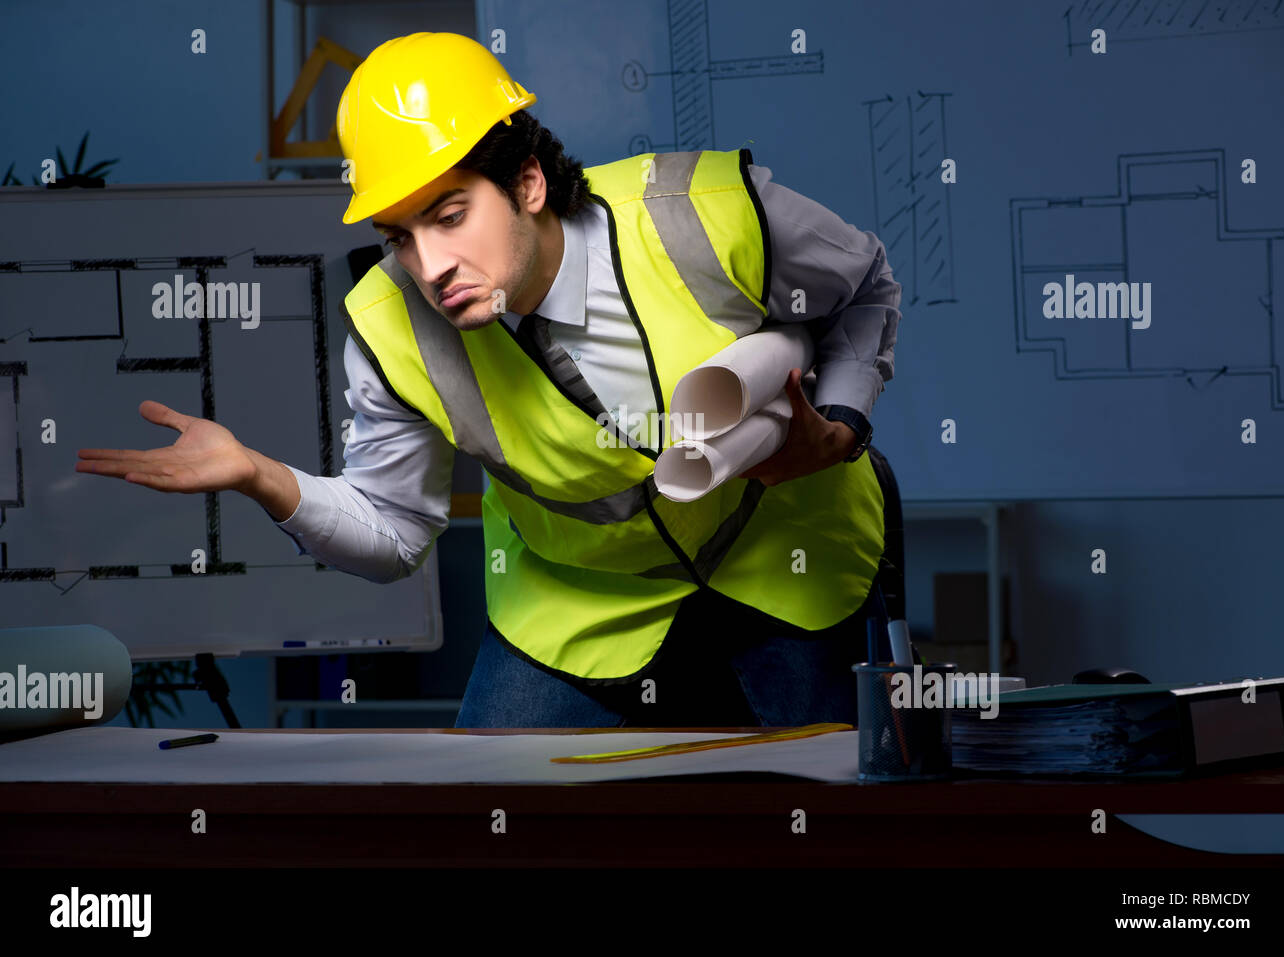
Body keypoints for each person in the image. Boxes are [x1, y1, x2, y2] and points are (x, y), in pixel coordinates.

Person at [76, 32, 903, 729]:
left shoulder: (703, 210)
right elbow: (396, 531)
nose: (429, 267)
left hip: (792, 547)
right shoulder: (390, 325)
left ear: (528, 183)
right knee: (485, 822)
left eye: (449, 214)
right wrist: (263, 478)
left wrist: (838, 425)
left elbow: (863, 287)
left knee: (842, 805)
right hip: (581, 603)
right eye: (399, 234)